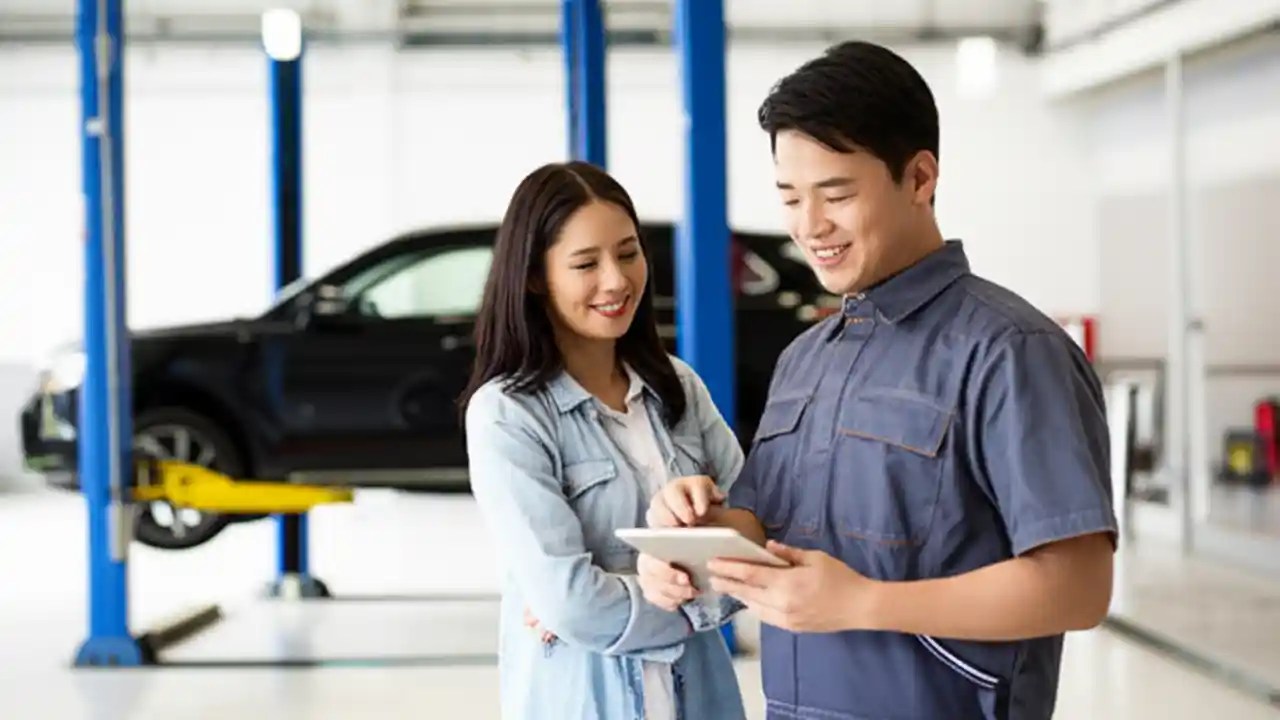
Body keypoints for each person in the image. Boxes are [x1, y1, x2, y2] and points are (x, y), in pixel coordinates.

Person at [637, 40, 1118, 720]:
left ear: (920, 178)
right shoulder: (808, 356)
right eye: (790, 197)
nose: (811, 227)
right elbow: (768, 526)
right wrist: (694, 543)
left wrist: (863, 603)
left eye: (836, 194)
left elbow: (1079, 587)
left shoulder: (1010, 350)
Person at [458, 161, 748, 720]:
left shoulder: (678, 386)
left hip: (703, 697)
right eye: (586, 264)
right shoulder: (507, 414)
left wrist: (619, 591)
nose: (616, 280)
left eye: (628, 253)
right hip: (582, 700)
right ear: (536, 276)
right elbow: (571, 603)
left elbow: (762, 535)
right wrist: (705, 593)